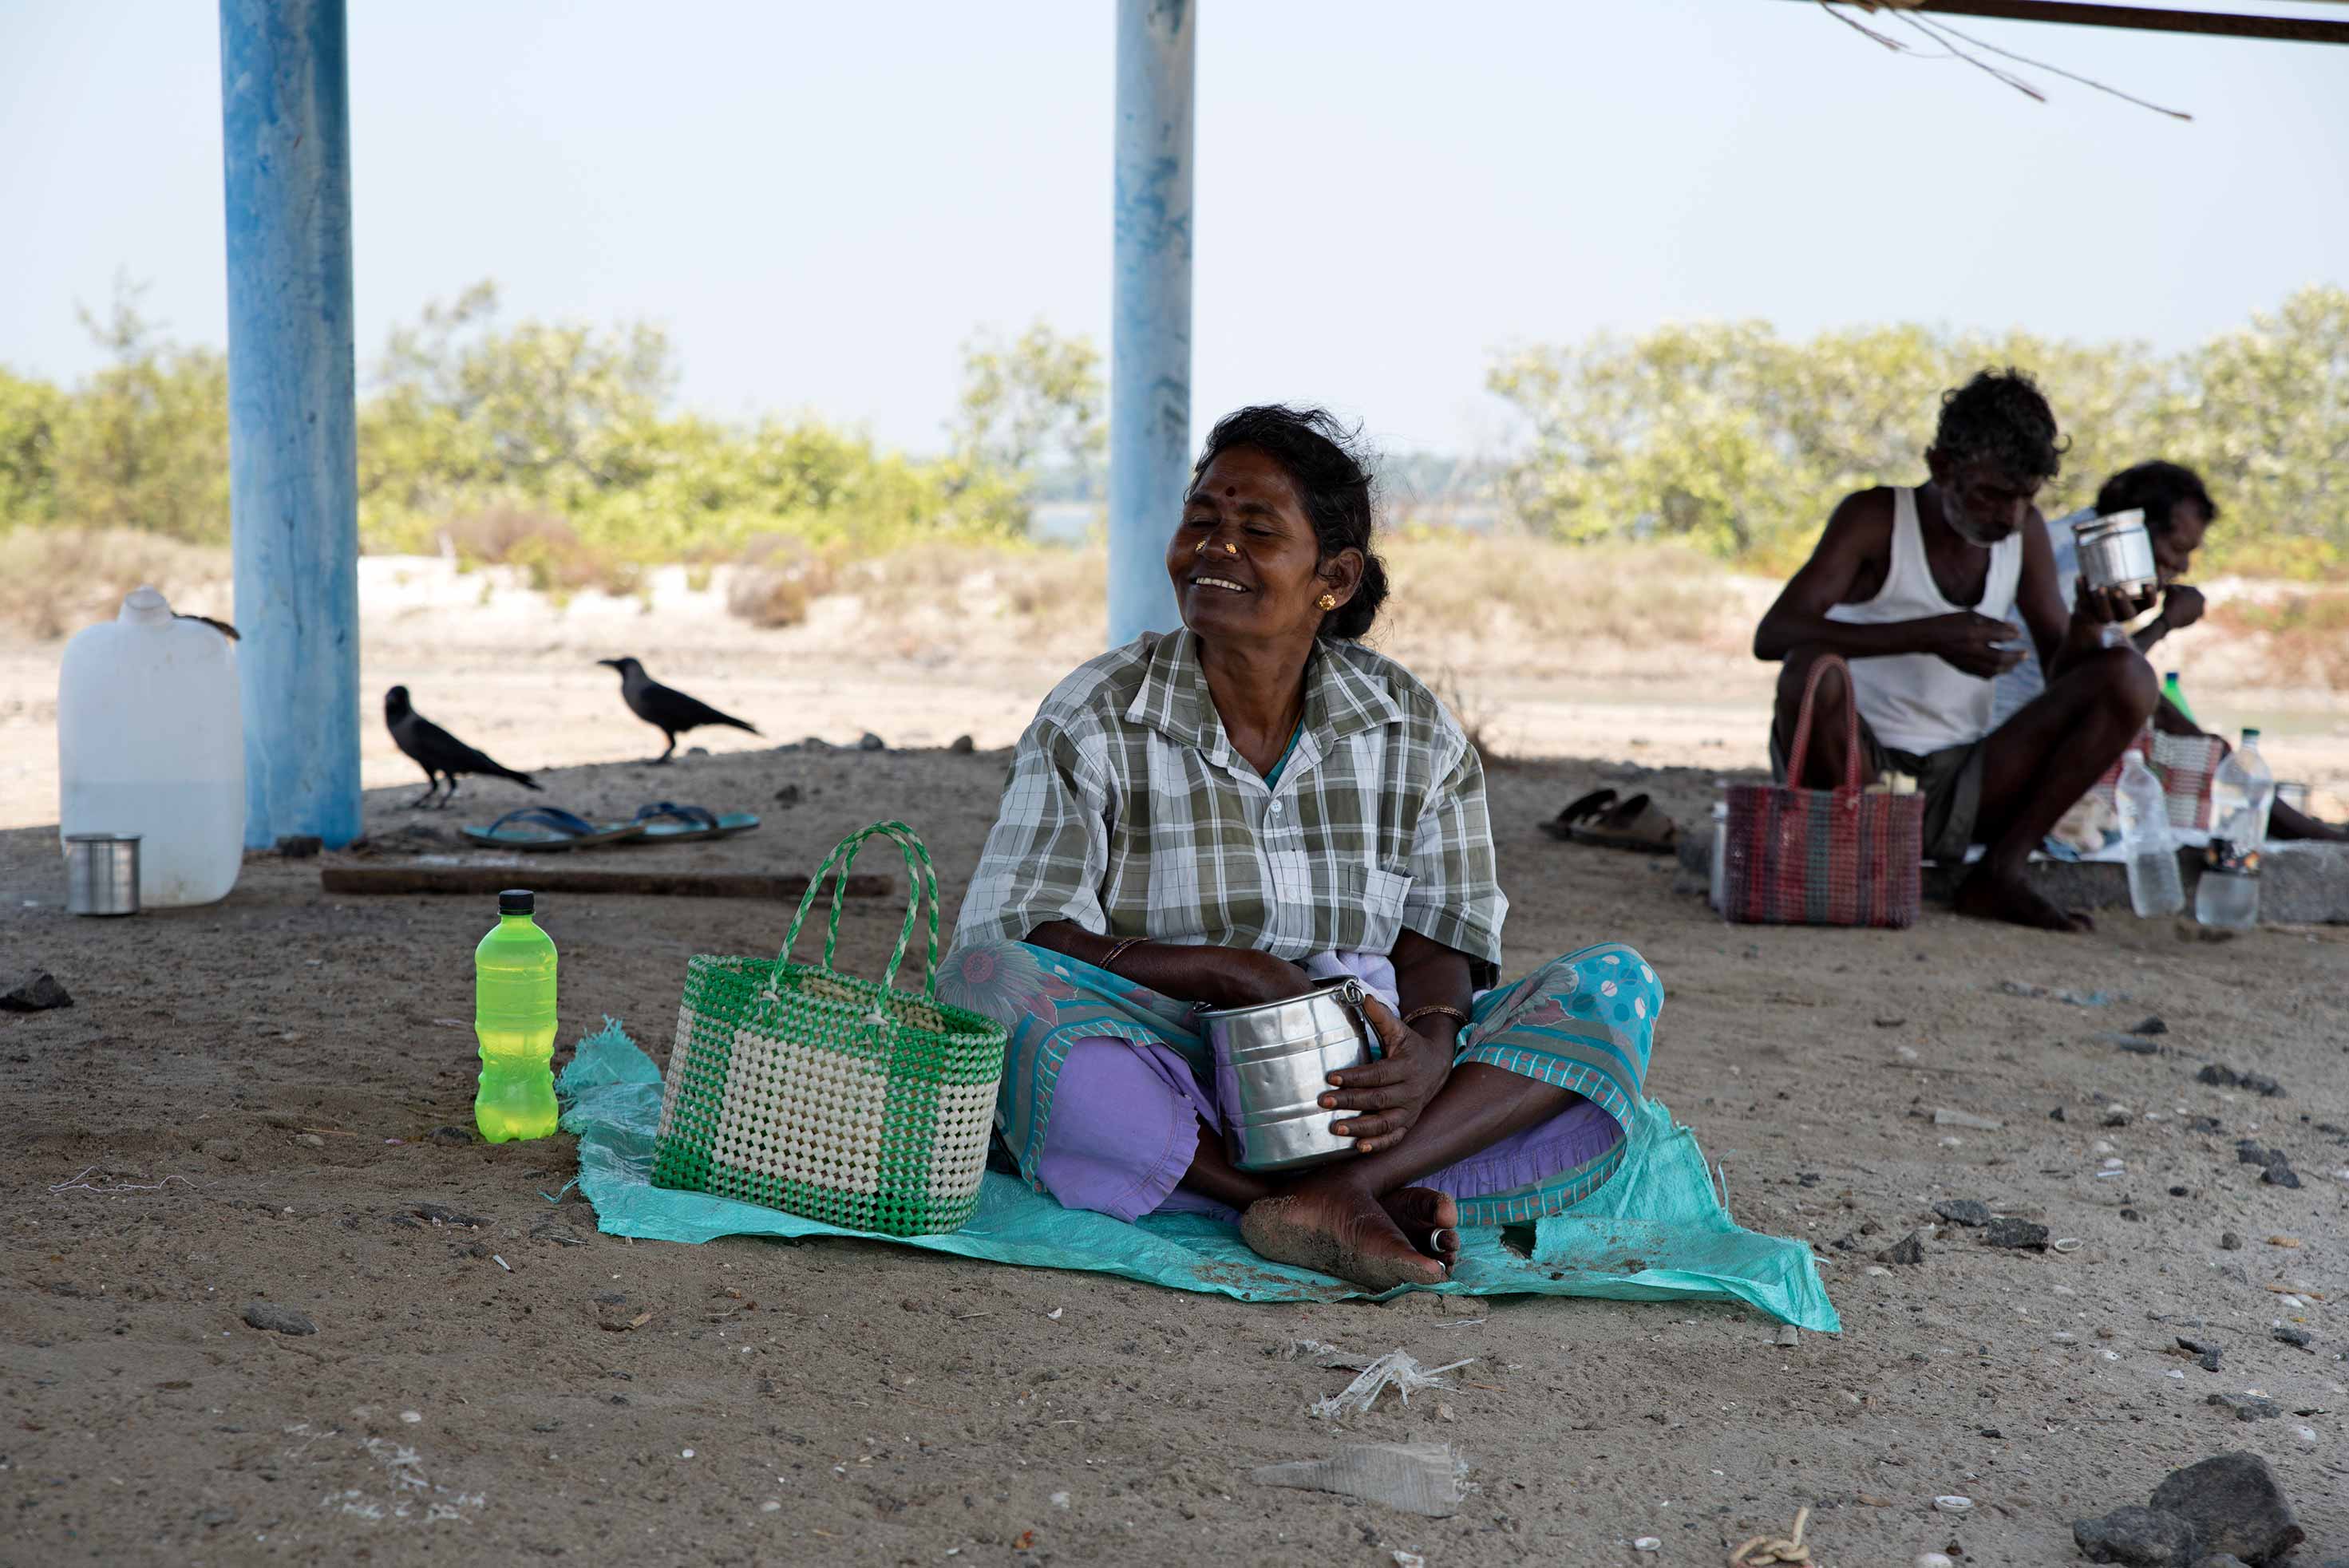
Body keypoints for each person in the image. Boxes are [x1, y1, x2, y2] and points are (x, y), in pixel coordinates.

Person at [943, 405, 1658, 1292]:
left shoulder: (1409, 725)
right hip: (1174, 1062)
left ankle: (1343, 1186)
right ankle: (1286, 1197)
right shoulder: (1097, 712)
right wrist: (1230, 973)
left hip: (1368, 1091)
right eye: (1201, 521)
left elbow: (1442, 934)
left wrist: (1430, 1051)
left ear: (1334, 576)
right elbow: (1022, 934)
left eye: (1255, 531)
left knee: (1614, 990)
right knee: (990, 988)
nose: (1214, 549)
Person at [1752, 369, 2157, 932]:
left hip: (1964, 781)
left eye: (2025, 497)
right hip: (1855, 767)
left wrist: (2088, 624)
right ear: (1941, 467)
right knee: (1810, 673)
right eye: (1991, 494)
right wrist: (1927, 634)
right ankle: (1855, 855)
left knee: (2129, 676)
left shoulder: (2025, 534)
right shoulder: (1875, 517)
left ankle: (1999, 871)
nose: (2008, 516)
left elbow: (2061, 674)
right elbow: (1772, 636)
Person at [1993, 460, 2345, 842]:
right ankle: (2302, 831)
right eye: (2177, 549)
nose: (2181, 566)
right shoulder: (2072, 560)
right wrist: (2163, 625)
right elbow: (2088, 677)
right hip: (2009, 740)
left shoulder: (2072, 540)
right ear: (2138, 528)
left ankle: (2294, 825)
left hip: (2031, 730)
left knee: (2182, 725)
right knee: (2166, 716)